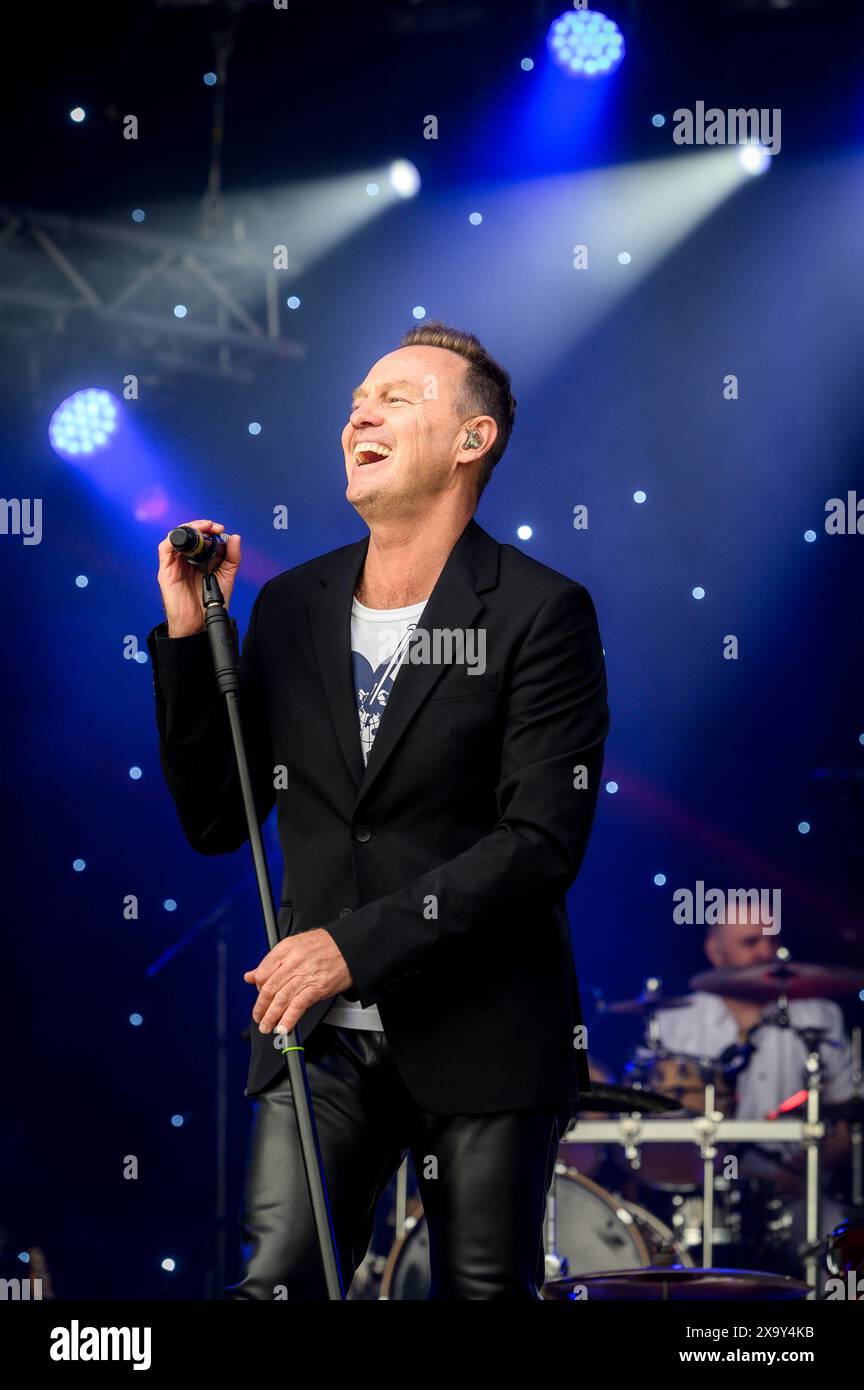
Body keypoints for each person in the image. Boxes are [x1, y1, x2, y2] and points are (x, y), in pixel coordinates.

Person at [147, 322, 610, 1299]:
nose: (361, 410)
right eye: (358, 397)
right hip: (320, 1039)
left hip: (483, 1028)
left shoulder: (538, 610)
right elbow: (218, 820)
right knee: (276, 1283)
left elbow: (538, 844)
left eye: (397, 397)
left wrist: (351, 945)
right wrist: (192, 639)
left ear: (471, 440)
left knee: (482, 1293)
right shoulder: (292, 607)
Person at [646, 913, 853, 1259]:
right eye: (750, 942)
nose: (765, 953)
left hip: (797, 1192)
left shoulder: (820, 1017)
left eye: (772, 941)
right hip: (697, 1199)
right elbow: (651, 1124)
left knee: (841, 1253)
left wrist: (799, 1172)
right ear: (716, 951)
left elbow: (849, 1119)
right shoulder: (673, 1022)